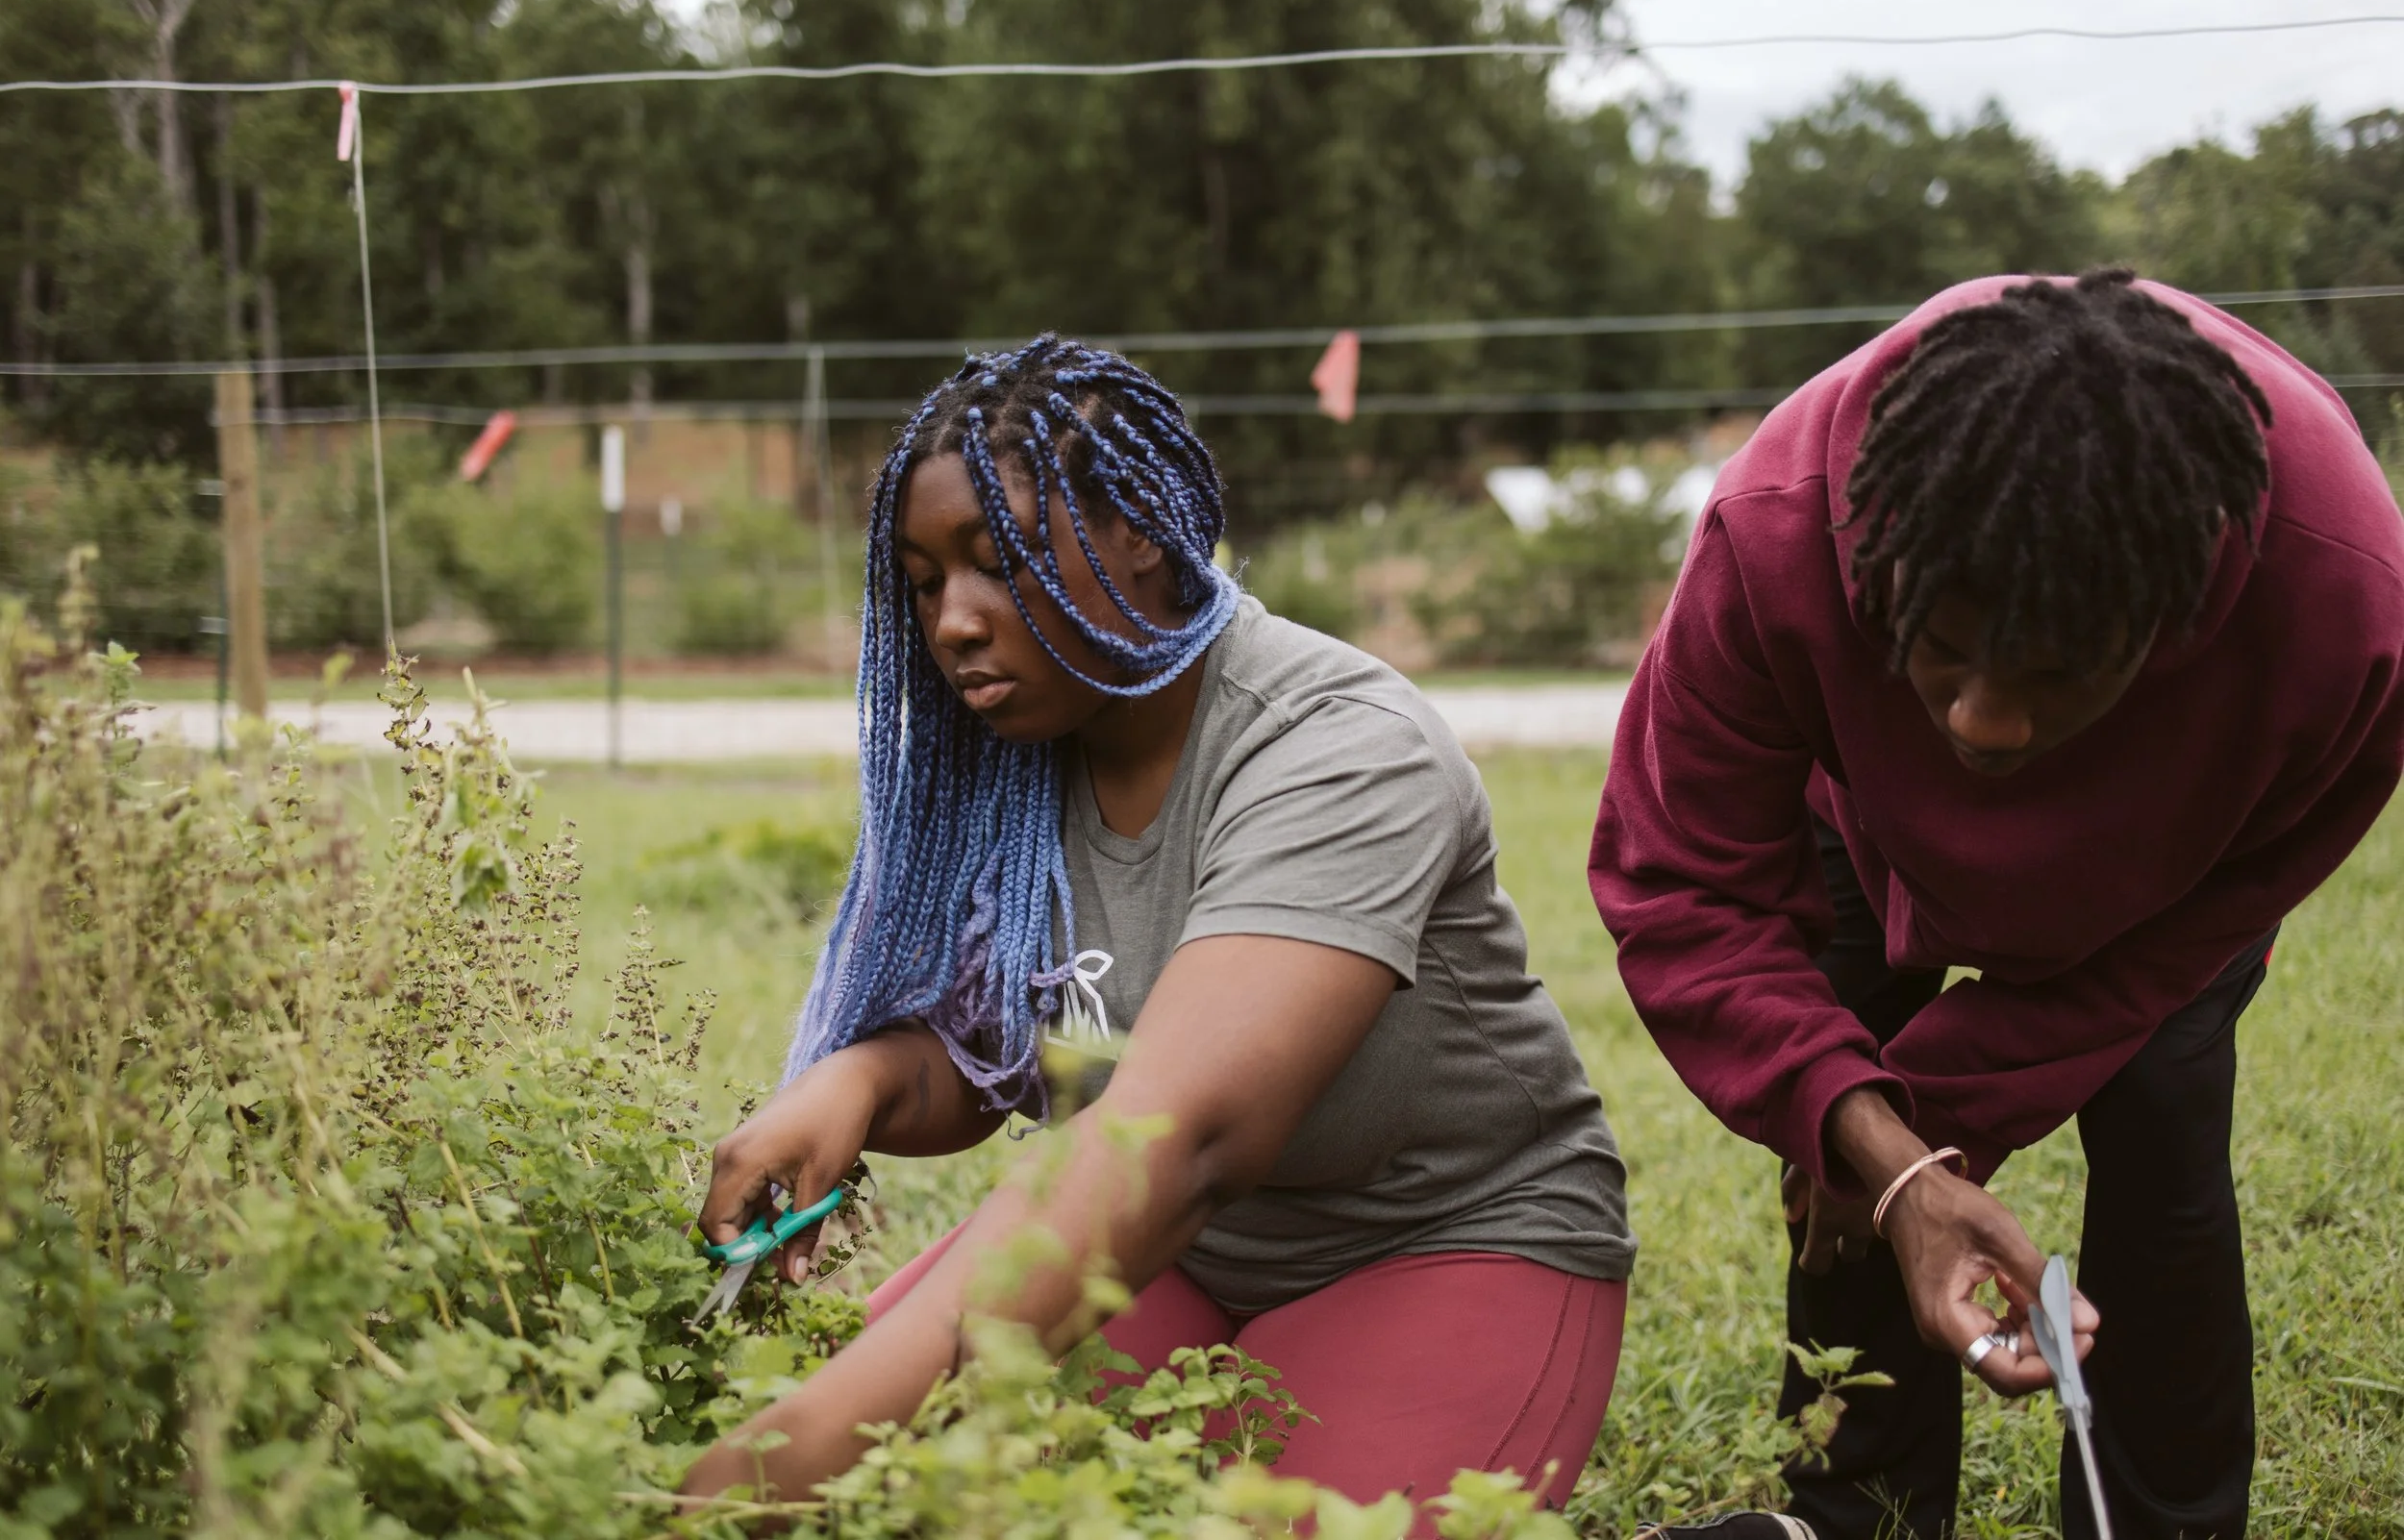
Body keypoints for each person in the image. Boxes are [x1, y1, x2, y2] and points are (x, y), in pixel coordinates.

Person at [677, 337, 1651, 1531]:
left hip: (1443, 1239)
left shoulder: (1337, 746)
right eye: (927, 581)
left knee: (850, 1453)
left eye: (997, 560)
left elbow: (1174, 1141)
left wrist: (773, 1468)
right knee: (907, 1495)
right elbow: (1024, 1060)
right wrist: (863, 1079)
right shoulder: (1026, 758)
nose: (955, 623)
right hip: (1177, 1252)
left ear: (1141, 532)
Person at [1589, 269, 2404, 1540]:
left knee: (2164, 1135)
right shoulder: (1776, 522)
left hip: (2166, 887)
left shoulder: (2343, 603)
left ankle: (2164, 1519)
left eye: (2055, 669)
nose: (1983, 719)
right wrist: (1878, 1143)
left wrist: (1943, 1112)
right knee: (1847, 1154)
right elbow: (1684, 881)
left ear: (2178, 605)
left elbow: (2250, 876)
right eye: (1942, 643)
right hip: (1852, 821)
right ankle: (1855, 1512)